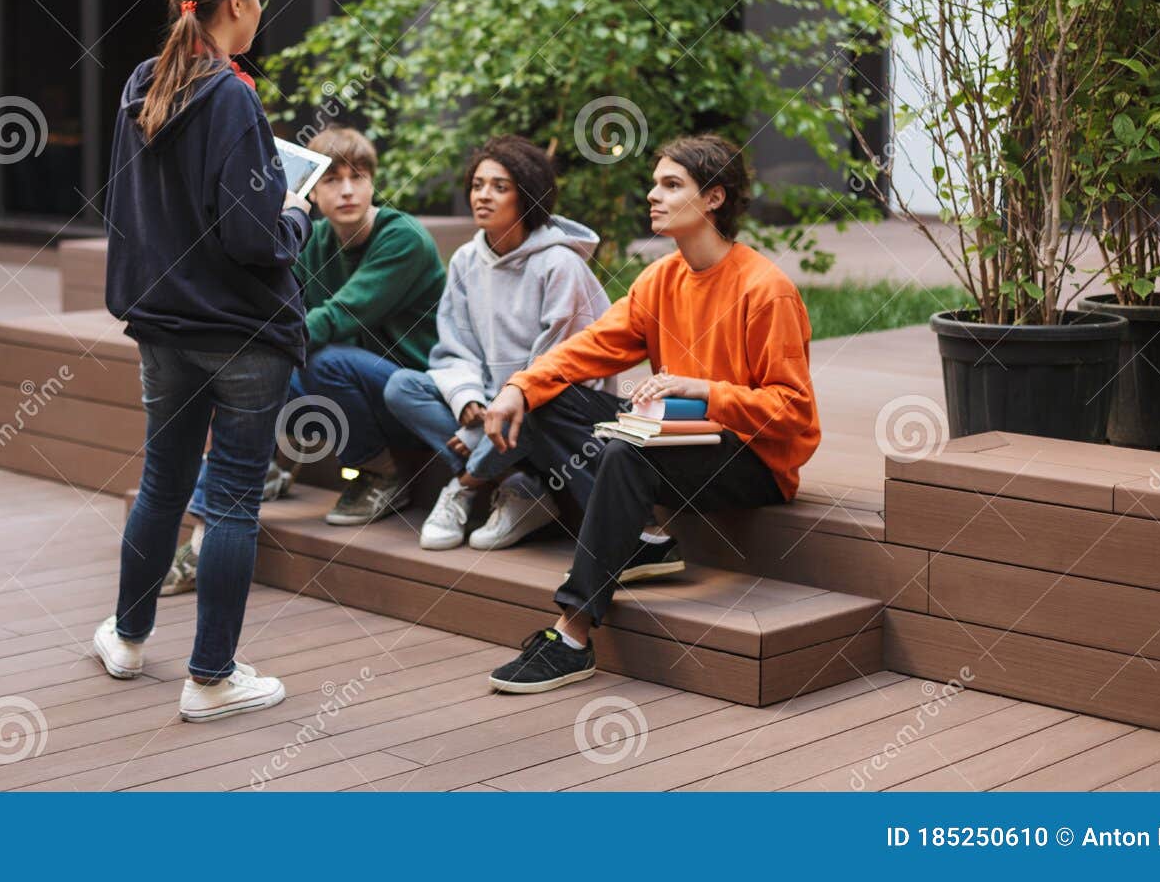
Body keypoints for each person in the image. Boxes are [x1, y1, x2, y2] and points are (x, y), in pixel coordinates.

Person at [479, 135, 821, 692]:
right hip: (675, 437)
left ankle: (571, 634)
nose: (652, 195)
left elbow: (795, 413)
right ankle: (638, 539)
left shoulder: (765, 289)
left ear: (713, 198)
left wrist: (705, 391)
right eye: (654, 183)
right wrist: (518, 386)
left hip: (752, 460)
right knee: (549, 398)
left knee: (627, 451)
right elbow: (586, 349)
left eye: (670, 185)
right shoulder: (660, 280)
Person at [92, 0, 308, 722]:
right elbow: (253, 238)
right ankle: (211, 677)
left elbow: (128, 209)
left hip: (163, 327)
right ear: (238, 3)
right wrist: (297, 218)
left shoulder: (143, 86)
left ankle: (127, 634)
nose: (262, 10)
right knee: (233, 503)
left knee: (162, 482)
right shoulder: (232, 97)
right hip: (241, 335)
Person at [158, 127, 448, 593]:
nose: (348, 189)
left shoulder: (402, 239)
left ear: (374, 181)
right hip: (345, 393)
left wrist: (252, 347)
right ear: (311, 187)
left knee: (320, 359)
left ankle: (381, 471)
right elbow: (279, 308)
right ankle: (203, 535)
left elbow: (336, 316)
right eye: (332, 179)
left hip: (409, 391)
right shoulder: (313, 241)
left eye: (359, 176)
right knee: (252, 383)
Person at [384, 136, 617, 550]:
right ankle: (517, 484)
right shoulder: (465, 260)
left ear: (526, 195)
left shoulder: (559, 264)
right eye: (477, 185)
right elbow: (456, 345)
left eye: (499, 186)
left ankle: (467, 482)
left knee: (538, 405)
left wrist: (482, 430)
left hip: (548, 410)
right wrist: (467, 398)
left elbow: (555, 371)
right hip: (494, 406)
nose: (483, 196)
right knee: (402, 387)